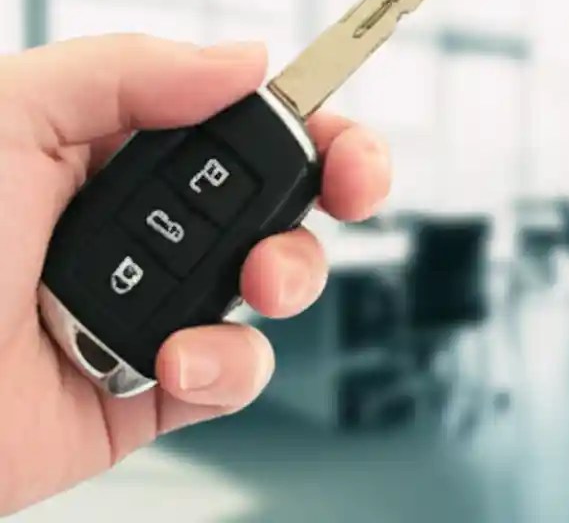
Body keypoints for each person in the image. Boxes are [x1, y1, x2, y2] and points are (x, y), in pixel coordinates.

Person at [0, 34, 392, 515]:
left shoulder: (260, 140)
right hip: (71, 293)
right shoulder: (219, 104)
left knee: (270, 280)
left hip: (91, 320)